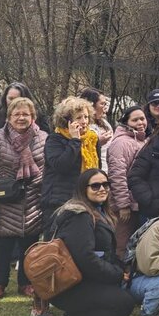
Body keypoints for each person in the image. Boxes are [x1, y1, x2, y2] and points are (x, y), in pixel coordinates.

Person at [46, 169, 136, 316]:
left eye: (105, 184)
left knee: (121, 296)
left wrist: (122, 267)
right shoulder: (79, 216)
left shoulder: (98, 212)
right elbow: (84, 258)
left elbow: (104, 252)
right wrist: (117, 275)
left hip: (83, 280)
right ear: (83, 189)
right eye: (95, 186)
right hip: (68, 285)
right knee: (123, 302)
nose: (102, 189)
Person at [0, 96, 48, 299]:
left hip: (33, 202)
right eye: (17, 114)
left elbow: (49, 169)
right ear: (8, 117)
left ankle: (25, 283)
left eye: (26, 114)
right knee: (2, 247)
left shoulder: (43, 138)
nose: (21, 118)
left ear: (33, 117)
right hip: (4, 203)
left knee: (29, 247)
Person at [41, 96, 100, 224]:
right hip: (59, 201)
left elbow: (97, 170)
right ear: (67, 121)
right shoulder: (55, 139)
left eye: (86, 117)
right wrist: (74, 141)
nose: (84, 121)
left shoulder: (92, 139)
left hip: (86, 199)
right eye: (78, 118)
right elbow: (61, 166)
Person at [107, 105, 149, 258]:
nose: (140, 122)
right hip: (125, 205)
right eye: (135, 119)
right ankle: (120, 275)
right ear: (126, 122)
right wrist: (123, 205)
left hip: (139, 203)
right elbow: (117, 176)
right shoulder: (120, 143)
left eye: (142, 118)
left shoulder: (142, 140)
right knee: (122, 243)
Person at [0, 82, 44, 165]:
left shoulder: (37, 117)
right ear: (5, 98)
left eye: (17, 99)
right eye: (10, 98)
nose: (13, 102)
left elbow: (44, 145)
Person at [78, 87, 114, 168]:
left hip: (110, 167)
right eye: (102, 104)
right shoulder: (81, 126)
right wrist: (98, 142)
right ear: (91, 105)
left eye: (106, 104)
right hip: (92, 168)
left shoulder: (105, 123)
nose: (105, 108)